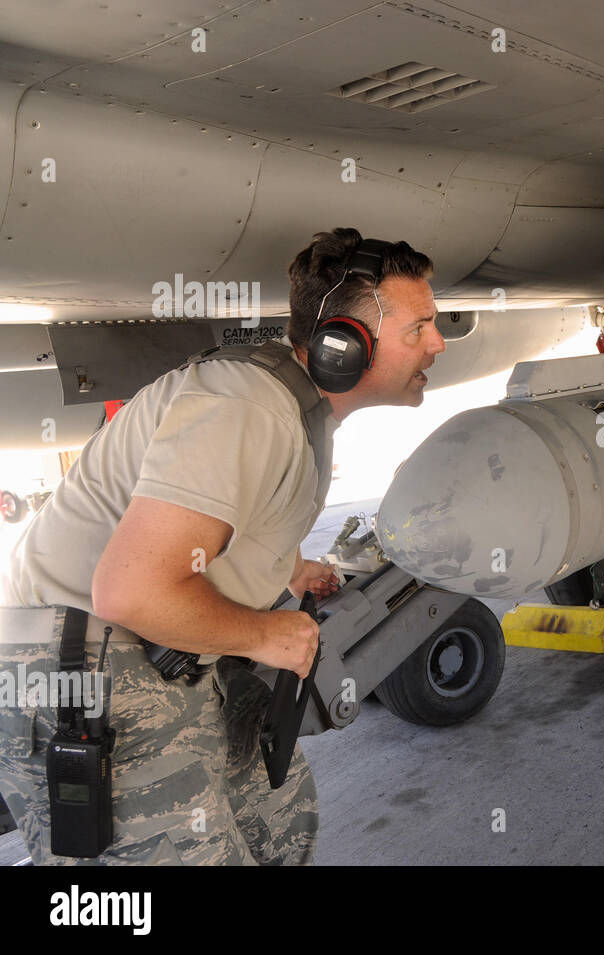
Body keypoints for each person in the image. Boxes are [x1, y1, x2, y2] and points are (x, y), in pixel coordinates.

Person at [0, 227, 445, 862]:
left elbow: (228, 523)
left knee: (281, 831)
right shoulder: (249, 405)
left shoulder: (296, 409)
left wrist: (287, 570)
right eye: (419, 327)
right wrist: (268, 636)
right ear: (345, 347)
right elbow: (132, 589)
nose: (438, 342)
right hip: (88, 664)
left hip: (168, 652)